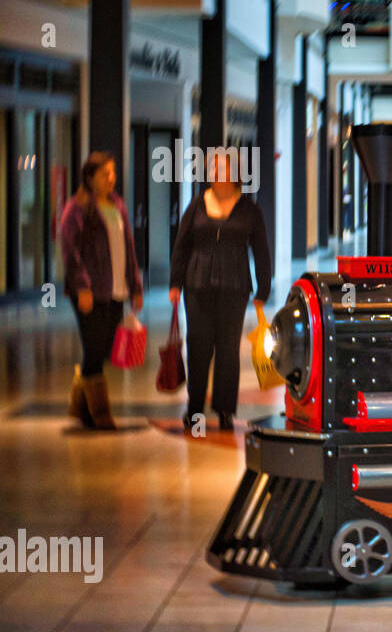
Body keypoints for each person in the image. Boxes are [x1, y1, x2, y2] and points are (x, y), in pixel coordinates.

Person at [169, 153, 271, 432]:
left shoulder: (250, 209)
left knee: (228, 350)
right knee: (198, 347)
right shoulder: (197, 205)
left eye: (220, 166)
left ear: (235, 171)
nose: (214, 170)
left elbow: (261, 250)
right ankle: (195, 410)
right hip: (197, 285)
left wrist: (264, 287)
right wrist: (175, 283)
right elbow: (182, 246)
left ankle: (226, 410)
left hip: (234, 286)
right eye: (212, 166)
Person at [59, 152, 144, 430]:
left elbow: (128, 247)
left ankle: (79, 407)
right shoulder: (78, 207)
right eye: (106, 173)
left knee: (105, 348)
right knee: (94, 348)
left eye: (113, 172)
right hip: (89, 293)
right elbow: (69, 248)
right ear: (90, 176)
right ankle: (100, 414)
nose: (112, 178)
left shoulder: (117, 204)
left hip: (116, 290)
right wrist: (82, 286)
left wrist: (135, 286)